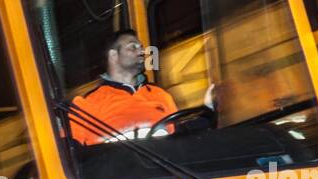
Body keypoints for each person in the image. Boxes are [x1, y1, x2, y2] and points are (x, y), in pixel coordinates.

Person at [69, 29, 214, 145]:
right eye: (133, 47)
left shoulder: (161, 94)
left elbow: (178, 136)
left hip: (168, 175)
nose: (141, 52)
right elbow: (72, 153)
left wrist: (207, 112)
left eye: (141, 47)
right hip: (123, 178)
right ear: (113, 55)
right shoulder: (87, 104)